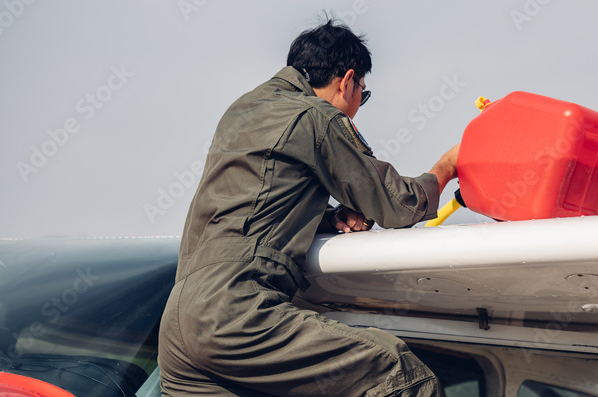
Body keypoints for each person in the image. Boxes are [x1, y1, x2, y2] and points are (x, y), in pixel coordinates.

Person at [158, 19, 458, 396]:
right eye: (361, 95)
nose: (356, 107)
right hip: (234, 313)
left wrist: (327, 218)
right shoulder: (316, 116)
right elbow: (398, 204)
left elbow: (246, 210)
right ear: (346, 80)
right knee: (400, 373)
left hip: (177, 327)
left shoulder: (243, 110)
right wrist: (446, 168)